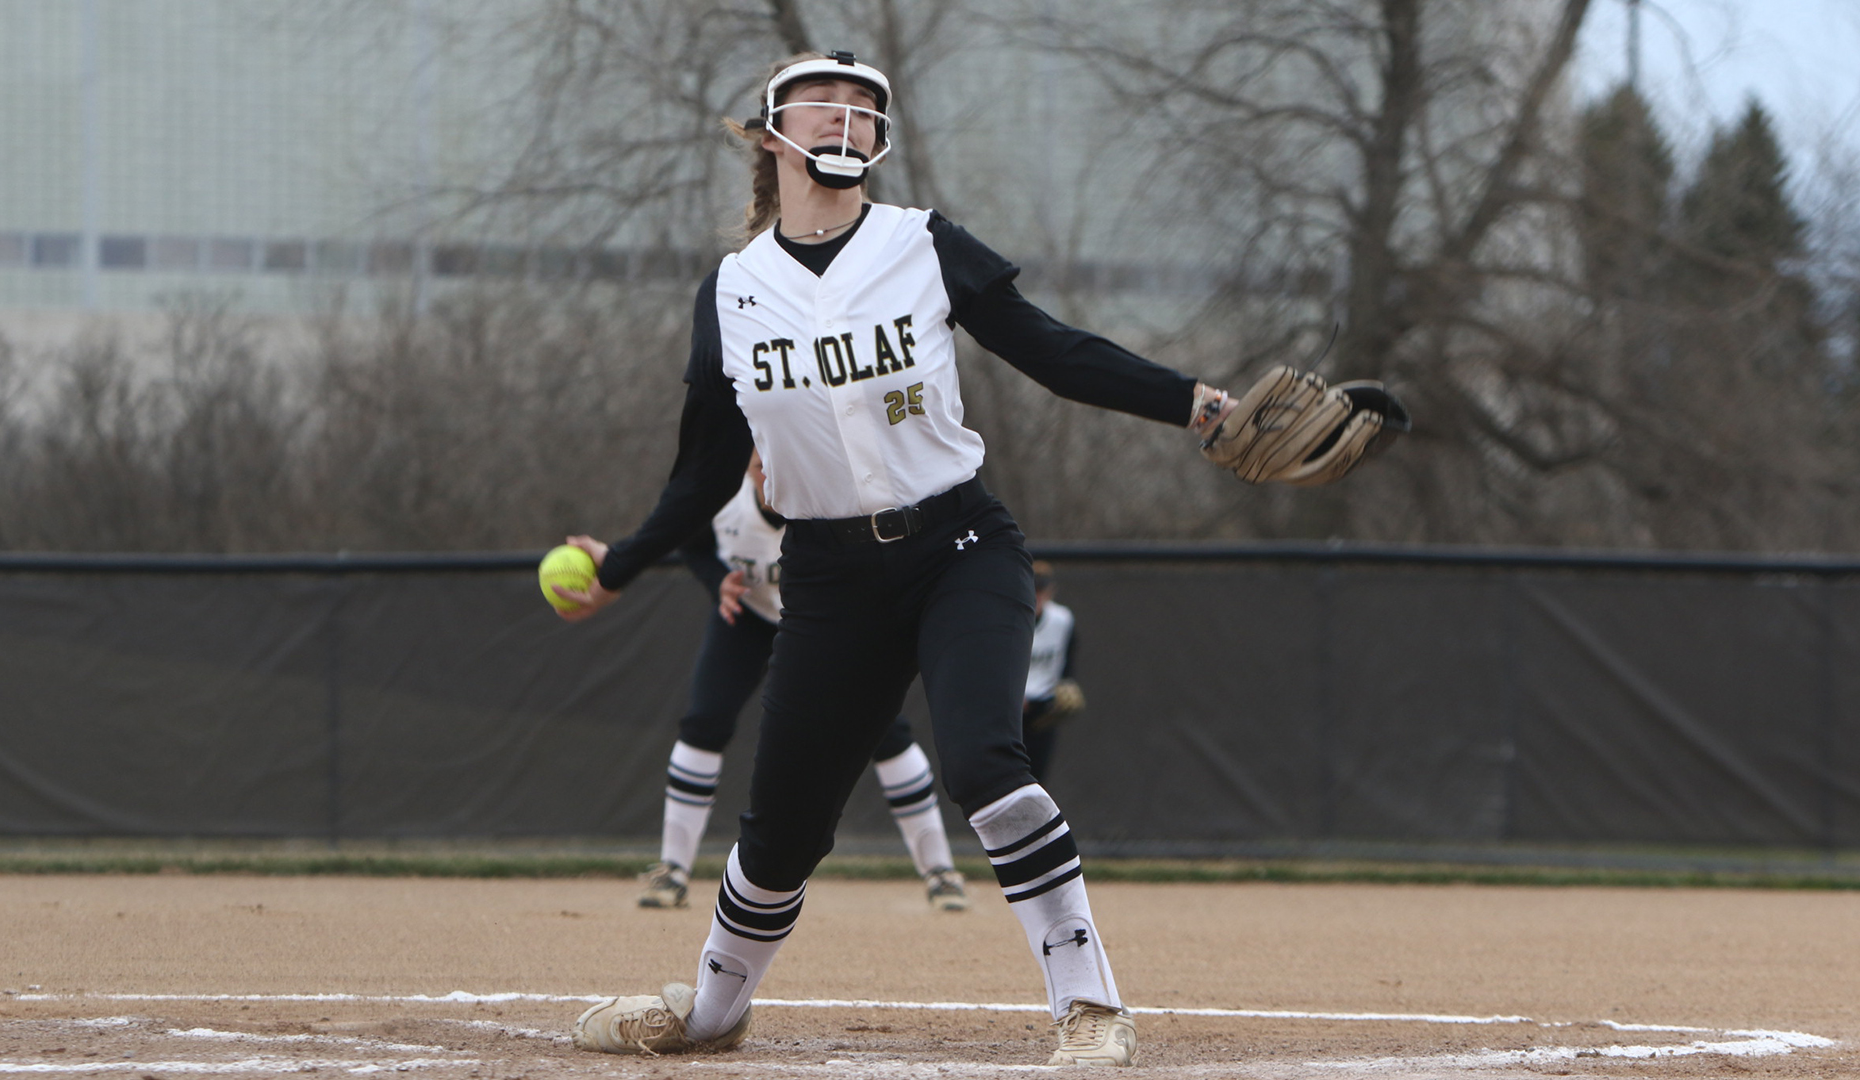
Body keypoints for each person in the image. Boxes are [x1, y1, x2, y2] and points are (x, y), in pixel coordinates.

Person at [551, 49, 1400, 1067]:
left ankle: (1090, 1007)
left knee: (984, 760)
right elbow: (702, 476)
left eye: (867, 107)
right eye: (825, 101)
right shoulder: (733, 294)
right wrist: (619, 566)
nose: (849, 118)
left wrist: (1197, 403)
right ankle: (712, 1012)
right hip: (825, 581)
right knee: (779, 832)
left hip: (958, 547)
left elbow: (1051, 348)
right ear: (770, 131)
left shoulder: (919, 244)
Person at [642, 449, 968, 912]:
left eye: (779, 461)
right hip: (750, 618)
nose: (768, 470)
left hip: (823, 621)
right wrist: (718, 580)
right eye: (758, 463)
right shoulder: (722, 503)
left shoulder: (833, 500)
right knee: (703, 722)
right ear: (747, 468)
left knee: (886, 734)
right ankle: (671, 870)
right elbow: (690, 543)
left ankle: (940, 871)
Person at [1020, 560, 1083, 784]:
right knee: (1007, 777)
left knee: (1037, 778)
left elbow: (1068, 657)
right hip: (1011, 709)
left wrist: (1066, 685)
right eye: (1032, 589)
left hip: (1043, 709)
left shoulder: (1062, 620)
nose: (1037, 595)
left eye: (1041, 590)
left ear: (1050, 591)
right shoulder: (1010, 617)